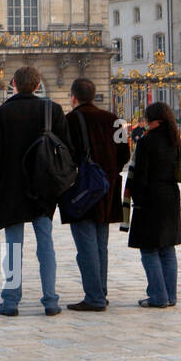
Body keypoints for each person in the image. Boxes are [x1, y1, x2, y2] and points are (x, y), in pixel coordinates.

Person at [0, 66, 65, 316]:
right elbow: (66, 151)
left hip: (11, 188)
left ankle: (11, 301)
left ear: (13, 84)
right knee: (46, 244)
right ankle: (50, 300)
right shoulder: (52, 110)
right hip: (44, 186)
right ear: (38, 84)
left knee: (13, 247)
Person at [62, 78, 132, 312]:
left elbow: (64, 156)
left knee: (86, 245)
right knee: (101, 243)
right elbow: (125, 153)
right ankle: (100, 290)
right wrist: (109, 169)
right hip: (108, 186)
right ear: (93, 95)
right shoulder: (115, 120)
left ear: (74, 97)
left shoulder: (69, 120)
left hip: (83, 187)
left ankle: (94, 297)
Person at [129, 102, 181, 308]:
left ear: (153, 120)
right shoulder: (174, 140)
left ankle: (158, 295)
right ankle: (170, 295)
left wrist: (136, 198)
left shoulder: (147, 142)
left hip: (150, 199)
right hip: (170, 197)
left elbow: (140, 175)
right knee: (167, 249)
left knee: (149, 249)